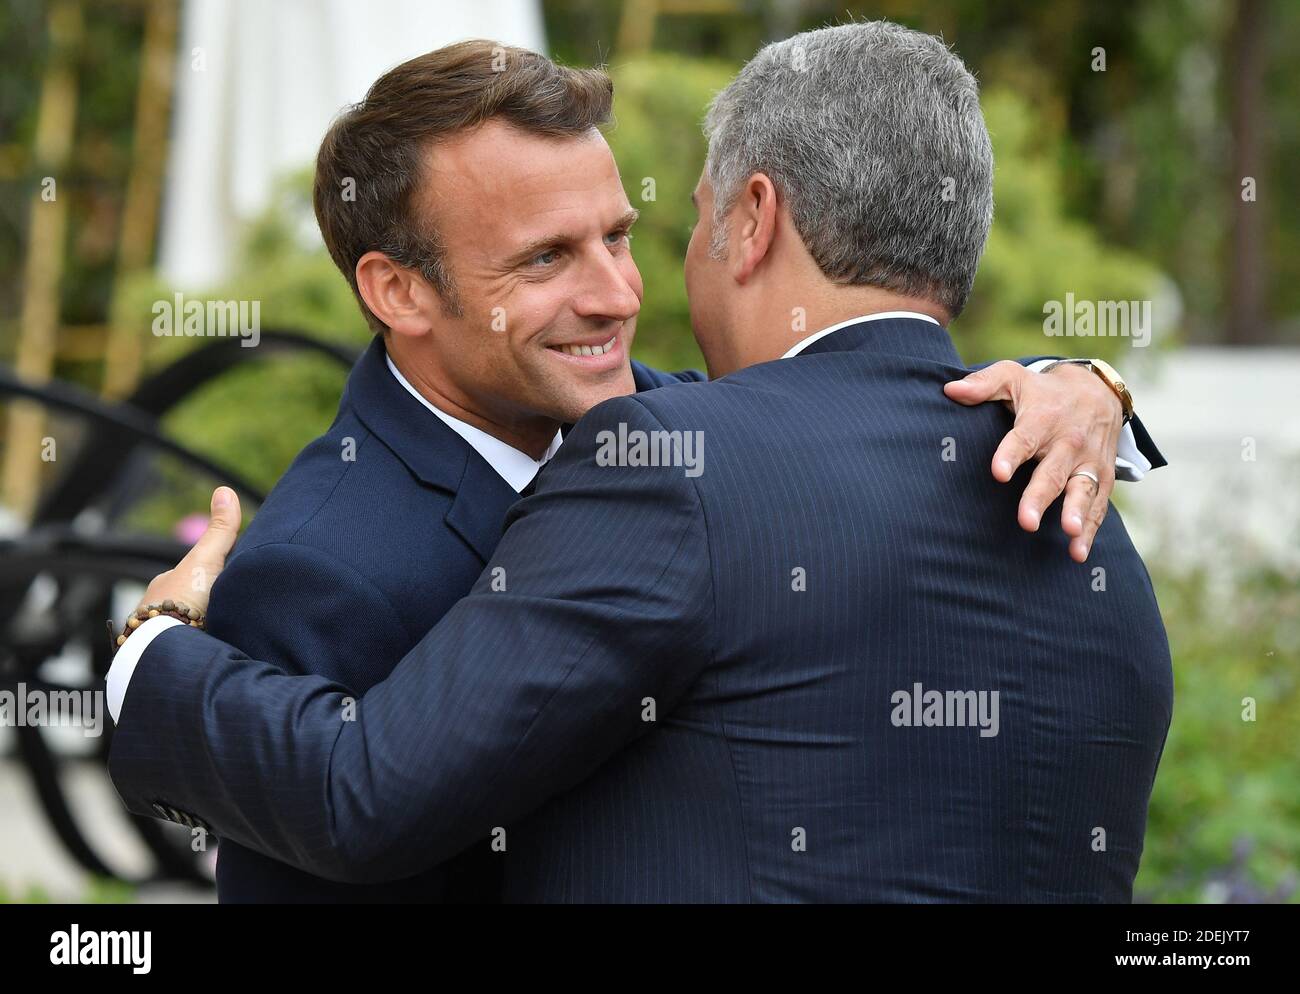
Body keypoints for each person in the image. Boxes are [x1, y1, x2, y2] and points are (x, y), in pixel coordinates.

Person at [108, 24, 1171, 902]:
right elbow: (336, 808)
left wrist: (1082, 384)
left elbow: (849, 414)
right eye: (546, 258)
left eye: (619, 236)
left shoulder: (693, 439)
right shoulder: (323, 563)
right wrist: (148, 660)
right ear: (398, 291)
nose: (620, 293)